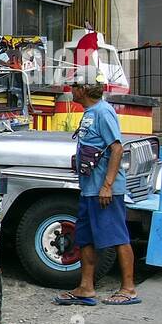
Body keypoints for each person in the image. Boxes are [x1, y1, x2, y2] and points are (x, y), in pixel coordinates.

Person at [54, 79, 140, 306]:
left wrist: (108, 185)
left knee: (117, 237)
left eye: (73, 86)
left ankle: (129, 289)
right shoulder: (90, 112)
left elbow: (117, 148)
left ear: (83, 90)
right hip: (89, 190)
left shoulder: (104, 112)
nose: (70, 90)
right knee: (85, 239)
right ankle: (86, 288)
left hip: (104, 191)